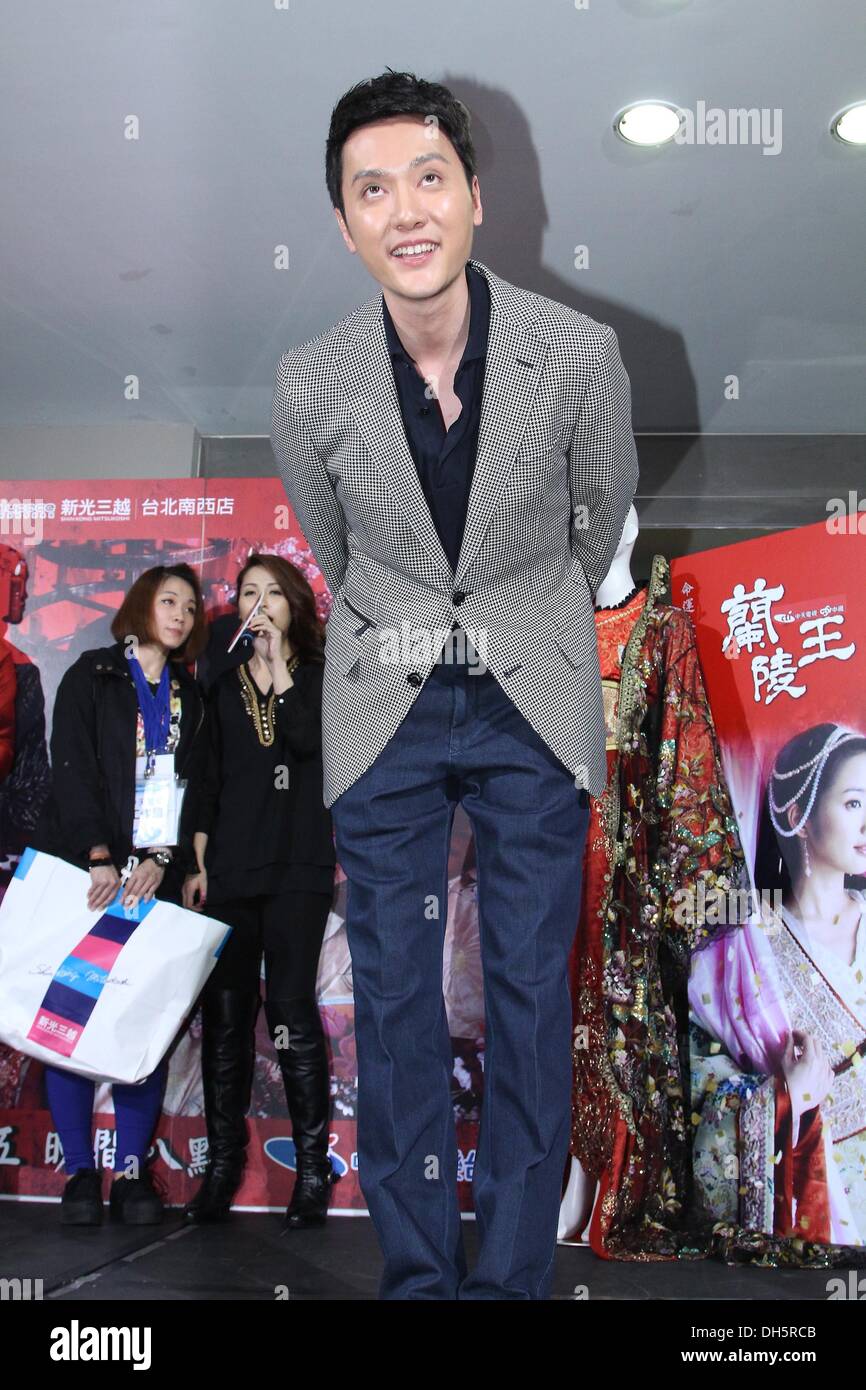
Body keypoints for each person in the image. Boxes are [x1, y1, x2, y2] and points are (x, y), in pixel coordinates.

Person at [271, 71, 639, 1298]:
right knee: (396, 1002)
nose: (404, 209)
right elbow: (336, 552)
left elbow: (598, 518)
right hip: (385, 693)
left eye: (427, 177)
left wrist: (520, 616)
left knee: (532, 993)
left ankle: (514, 1280)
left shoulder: (578, 354)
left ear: (475, 196)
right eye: (370, 189)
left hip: (530, 687)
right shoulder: (307, 383)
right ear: (343, 222)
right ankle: (421, 1281)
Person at [33, 563, 208, 1225]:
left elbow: (192, 789)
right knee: (71, 1023)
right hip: (91, 875)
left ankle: (132, 1175)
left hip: (150, 881)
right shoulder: (93, 674)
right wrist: (97, 854)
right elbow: (69, 766)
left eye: (191, 608)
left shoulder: (190, 695)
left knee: (143, 1028)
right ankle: (81, 1174)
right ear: (141, 605)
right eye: (169, 602)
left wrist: (162, 860)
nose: (181, 616)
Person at [182, 553, 337, 1229]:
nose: (261, 603)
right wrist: (198, 861)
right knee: (225, 1018)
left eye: (273, 592)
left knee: (293, 1017)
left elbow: (307, 741)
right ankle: (221, 1168)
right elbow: (207, 783)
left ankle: (310, 1171)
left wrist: (278, 671)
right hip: (231, 872)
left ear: (294, 604)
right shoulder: (220, 686)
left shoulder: (325, 679)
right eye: (250, 592)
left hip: (299, 869)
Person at [689, 723, 866, 1258]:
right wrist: (786, 1097)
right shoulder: (734, 958)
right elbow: (700, 1099)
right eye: (856, 803)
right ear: (799, 818)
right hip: (813, 1206)